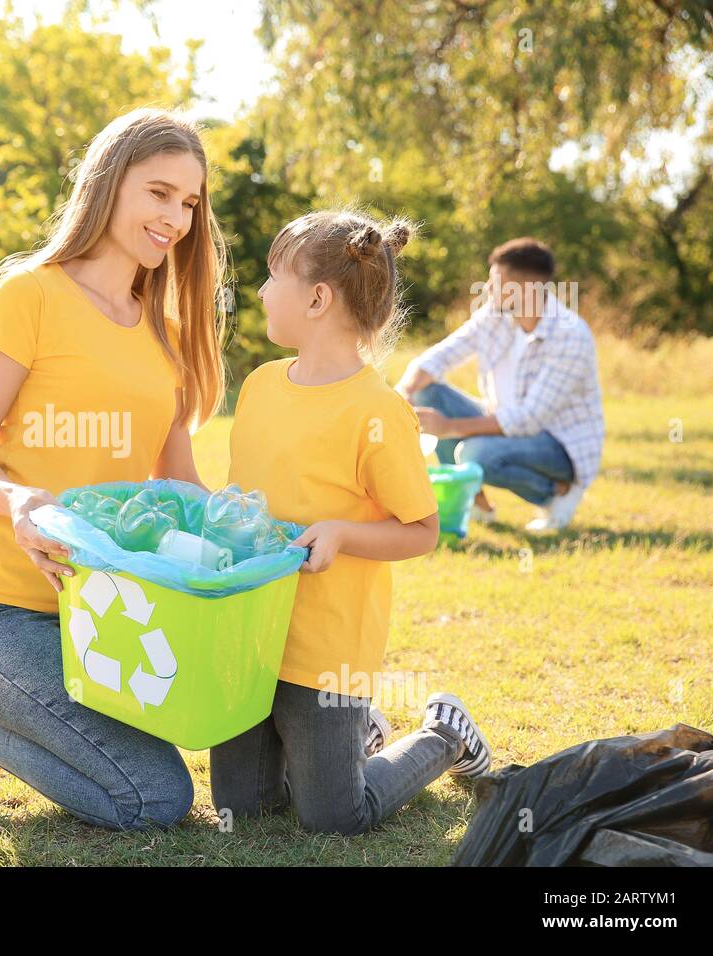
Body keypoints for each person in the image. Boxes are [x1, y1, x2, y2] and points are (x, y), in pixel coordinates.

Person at [0, 107, 229, 830]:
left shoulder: (168, 330)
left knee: (175, 754)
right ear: (109, 182)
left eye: (189, 202)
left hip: (102, 613)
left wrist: (248, 536)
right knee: (154, 798)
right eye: (159, 193)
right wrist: (19, 500)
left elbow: (181, 482)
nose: (176, 218)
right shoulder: (29, 296)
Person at [210, 209, 493, 835]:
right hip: (251, 631)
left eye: (272, 276)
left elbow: (421, 529)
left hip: (326, 648)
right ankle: (351, 734)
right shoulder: (258, 386)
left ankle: (444, 733)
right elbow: (246, 496)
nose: (258, 292)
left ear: (316, 297)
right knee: (240, 809)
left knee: (334, 817)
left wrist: (341, 532)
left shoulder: (379, 410)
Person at [395, 238, 604, 532]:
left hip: (558, 444)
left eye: (495, 281)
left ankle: (556, 491)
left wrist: (450, 428)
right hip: (504, 423)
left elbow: (529, 419)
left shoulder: (570, 335)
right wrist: (403, 396)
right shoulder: (494, 315)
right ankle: (476, 504)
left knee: (475, 454)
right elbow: (436, 359)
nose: (488, 289)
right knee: (426, 390)